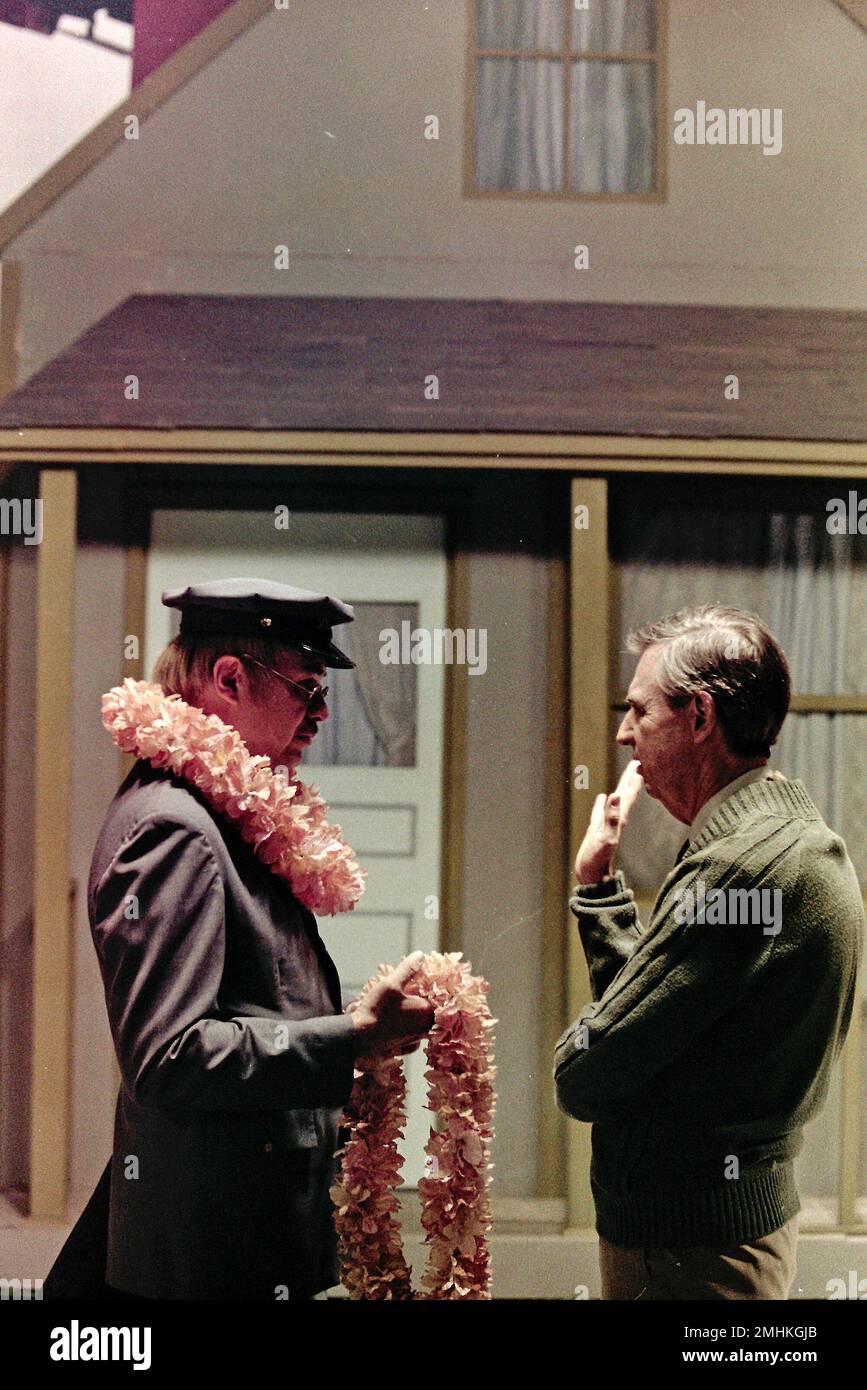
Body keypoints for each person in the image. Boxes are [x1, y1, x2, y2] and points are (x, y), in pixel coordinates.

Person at [44, 577, 433, 1301]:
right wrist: (349, 1036)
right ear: (228, 678)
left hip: (237, 1221)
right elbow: (170, 1058)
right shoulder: (173, 827)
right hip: (211, 1249)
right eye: (309, 689)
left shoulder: (218, 814)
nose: (319, 716)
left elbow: (251, 1005)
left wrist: (352, 1030)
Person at [554, 604, 863, 1300]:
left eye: (639, 711)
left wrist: (590, 1043)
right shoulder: (783, 835)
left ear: (698, 718)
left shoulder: (737, 869)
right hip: (722, 1233)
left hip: (687, 1252)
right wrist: (597, 887)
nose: (622, 732)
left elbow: (586, 1073)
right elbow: (661, 1025)